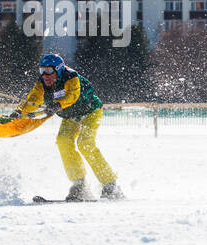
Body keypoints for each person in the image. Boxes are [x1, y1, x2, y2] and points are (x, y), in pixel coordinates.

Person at [12, 52, 123, 200]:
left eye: (49, 71)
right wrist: (19, 111)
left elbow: (73, 95)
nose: (45, 75)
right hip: (71, 117)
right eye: (42, 71)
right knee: (63, 141)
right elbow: (33, 100)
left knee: (85, 143)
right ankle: (80, 185)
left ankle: (110, 185)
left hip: (91, 112)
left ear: (58, 69)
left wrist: (58, 104)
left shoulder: (71, 77)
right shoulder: (42, 83)